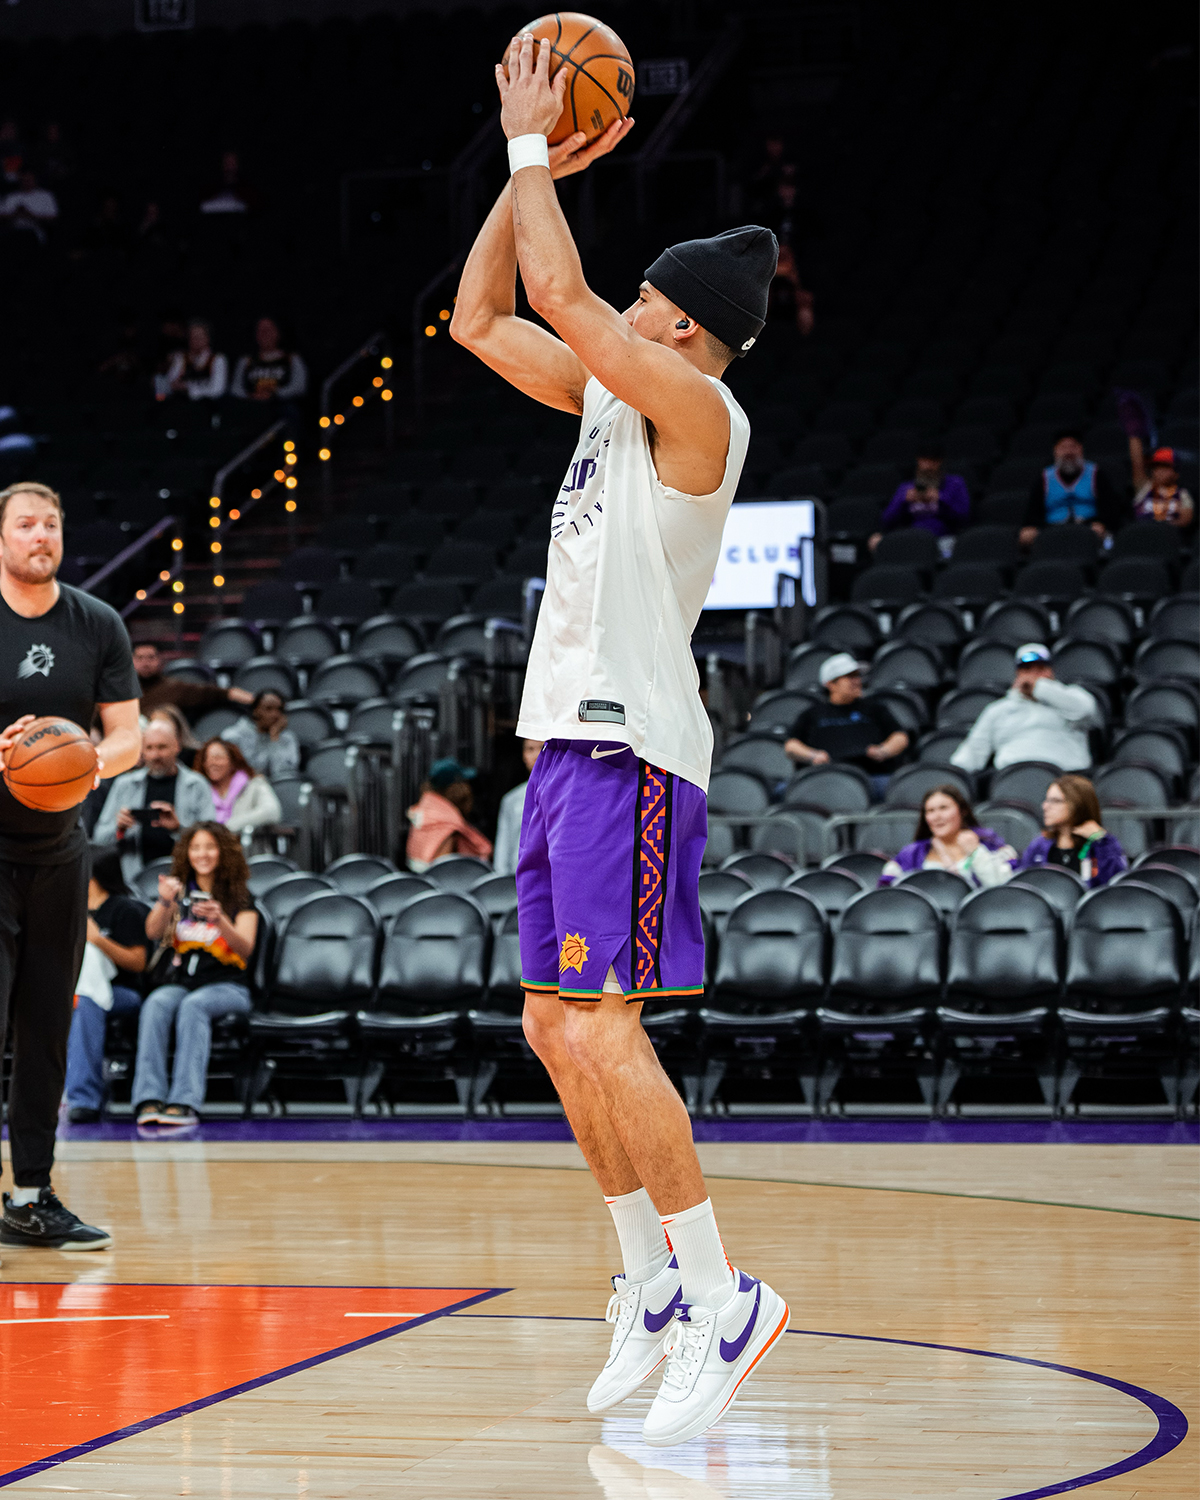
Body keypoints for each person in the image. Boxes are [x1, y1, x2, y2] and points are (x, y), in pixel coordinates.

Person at [450, 33, 788, 1448]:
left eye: (648, 298)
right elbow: (481, 316)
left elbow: (559, 293)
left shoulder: (701, 410)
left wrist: (536, 148)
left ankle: (723, 1295)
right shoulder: (609, 401)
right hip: (559, 746)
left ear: (685, 328)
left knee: (605, 1025)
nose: (627, 306)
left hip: (632, 749)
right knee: (550, 1023)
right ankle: (648, 1280)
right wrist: (522, 178)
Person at [0, 480, 141, 1250]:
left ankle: (30, 1196)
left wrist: (86, 762)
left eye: (50, 524)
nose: (40, 536)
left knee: (48, 1025)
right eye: (25, 524)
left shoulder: (98, 623)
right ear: (2, 537)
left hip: (59, 854)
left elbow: (127, 734)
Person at [132, 822, 258, 1127]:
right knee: (156, 1003)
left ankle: (184, 1101)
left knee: (194, 1006)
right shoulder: (180, 893)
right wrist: (165, 900)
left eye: (210, 847)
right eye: (196, 847)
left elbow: (246, 948)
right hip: (184, 983)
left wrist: (221, 920)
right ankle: (149, 1097)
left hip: (229, 986)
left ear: (223, 852)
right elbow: (152, 932)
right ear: (186, 853)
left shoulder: (240, 895)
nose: (203, 854)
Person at [64, 848, 151, 1123]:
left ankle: (83, 1099)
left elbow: (138, 962)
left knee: (86, 1003)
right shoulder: (69, 908)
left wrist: (99, 941)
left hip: (121, 991)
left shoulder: (125, 909)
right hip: (72, 989)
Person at [93, 718, 216, 883]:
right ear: (142, 751)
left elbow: (213, 838)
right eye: (149, 748)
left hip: (185, 878)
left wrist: (178, 829)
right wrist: (119, 828)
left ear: (177, 746)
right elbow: (99, 839)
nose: (155, 755)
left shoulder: (196, 784)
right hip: (134, 879)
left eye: (162, 747)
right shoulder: (125, 785)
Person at [951, 644, 1098, 775]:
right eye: (1027, 670)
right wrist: (953, 776)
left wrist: (1040, 689)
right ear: (1017, 674)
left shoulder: (1072, 697)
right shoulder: (998, 709)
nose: (1034, 675)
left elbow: (1085, 711)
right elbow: (973, 751)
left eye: (1041, 669)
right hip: (1014, 778)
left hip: (1066, 777)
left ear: (1051, 671)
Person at [784, 652, 909, 798]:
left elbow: (900, 737)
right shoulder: (812, 714)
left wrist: (883, 751)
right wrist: (812, 755)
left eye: (857, 676)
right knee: (784, 790)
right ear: (831, 684)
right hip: (823, 777)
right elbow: (791, 746)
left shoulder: (875, 709)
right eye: (850, 677)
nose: (857, 681)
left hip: (872, 776)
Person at [879, 785, 1016, 887]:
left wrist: (977, 852)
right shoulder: (910, 853)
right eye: (930, 811)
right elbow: (887, 893)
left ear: (962, 811)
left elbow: (1002, 890)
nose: (937, 816)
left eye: (944, 808)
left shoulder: (992, 845)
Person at [1015, 775, 1127, 888]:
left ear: (1078, 804)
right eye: (1047, 800)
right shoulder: (1039, 844)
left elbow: (1113, 886)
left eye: (1055, 801)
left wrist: (1102, 841)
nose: (1045, 806)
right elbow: (1023, 882)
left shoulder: (1104, 844)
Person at [1019, 432, 1125, 547]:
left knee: (1100, 530)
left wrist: (1099, 523)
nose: (1068, 452)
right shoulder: (1044, 478)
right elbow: (1032, 514)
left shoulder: (1096, 474)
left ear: (1081, 449)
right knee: (1026, 535)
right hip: (1051, 528)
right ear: (1055, 451)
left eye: (1073, 447)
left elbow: (1110, 510)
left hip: (1088, 527)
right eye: (1063, 448)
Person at [870, 446, 971, 552]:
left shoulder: (955, 483)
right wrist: (903, 501)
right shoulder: (906, 487)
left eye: (933, 462)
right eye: (924, 461)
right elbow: (886, 521)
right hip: (910, 538)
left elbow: (964, 517)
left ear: (940, 463)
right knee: (875, 540)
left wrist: (940, 499)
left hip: (943, 538)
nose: (928, 466)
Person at [406, 757, 493, 872]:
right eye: (464, 782)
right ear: (455, 788)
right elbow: (442, 870)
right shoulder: (445, 823)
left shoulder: (426, 811)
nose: (468, 789)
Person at [132, 641, 252, 718]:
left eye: (151, 658)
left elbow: (217, 693)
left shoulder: (174, 688)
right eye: (140, 658)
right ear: (132, 661)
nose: (145, 663)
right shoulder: (125, 690)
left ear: (160, 660)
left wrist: (255, 700)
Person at [196, 736, 282, 833]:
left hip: (245, 841)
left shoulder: (254, 784)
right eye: (206, 759)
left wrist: (228, 827)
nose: (211, 763)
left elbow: (272, 811)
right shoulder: (199, 789)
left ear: (232, 761)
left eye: (218, 758)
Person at [221, 689, 300, 778]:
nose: (275, 714)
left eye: (279, 709)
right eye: (268, 709)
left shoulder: (288, 739)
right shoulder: (233, 737)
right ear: (255, 711)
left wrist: (274, 739)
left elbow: (283, 776)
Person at [493, 738, 543, 876]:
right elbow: (502, 849)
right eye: (530, 749)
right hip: (516, 878)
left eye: (542, 748)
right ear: (523, 755)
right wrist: (502, 880)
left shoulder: (566, 795)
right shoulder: (511, 800)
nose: (536, 755)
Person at [231, 318, 308, 404]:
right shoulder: (246, 361)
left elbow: (299, 387)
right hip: (251, 405)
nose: (264, 334)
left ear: (278, 333)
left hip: (282, 405)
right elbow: (235, 389)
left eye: (269, 330)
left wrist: (274, 395)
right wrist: (252, 396)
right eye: (260, 330)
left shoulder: (292, 358)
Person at [153, 319, 228, 402]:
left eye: (199, 337)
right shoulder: (181, 357)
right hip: (181, 402)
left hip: (207, 404)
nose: (196, 340)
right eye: (193, 337)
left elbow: (217, 390)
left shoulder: (217, 359)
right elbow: (170, 384)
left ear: (208, 338)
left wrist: (189, 388)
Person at [1129, 442, 1195, 529]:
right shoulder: (1144, 487)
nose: (1160, 471)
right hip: (1143, 533)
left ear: (1176, 473)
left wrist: (1162, 528)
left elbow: (1185, 519)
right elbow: (1137, 464)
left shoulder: (1182, 494)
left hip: (1168, 534)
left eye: (1165, 467)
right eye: (1156, 467)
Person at [0, 169, 58, 245]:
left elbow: (53, 217)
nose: (26, 182)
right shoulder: (12, 196)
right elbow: (2, 214)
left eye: (29, 180)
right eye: (24, 180)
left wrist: (30, 214)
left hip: (35, 230)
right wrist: (15, 213)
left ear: (35, 180)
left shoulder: (45, 195)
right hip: (13, 230)